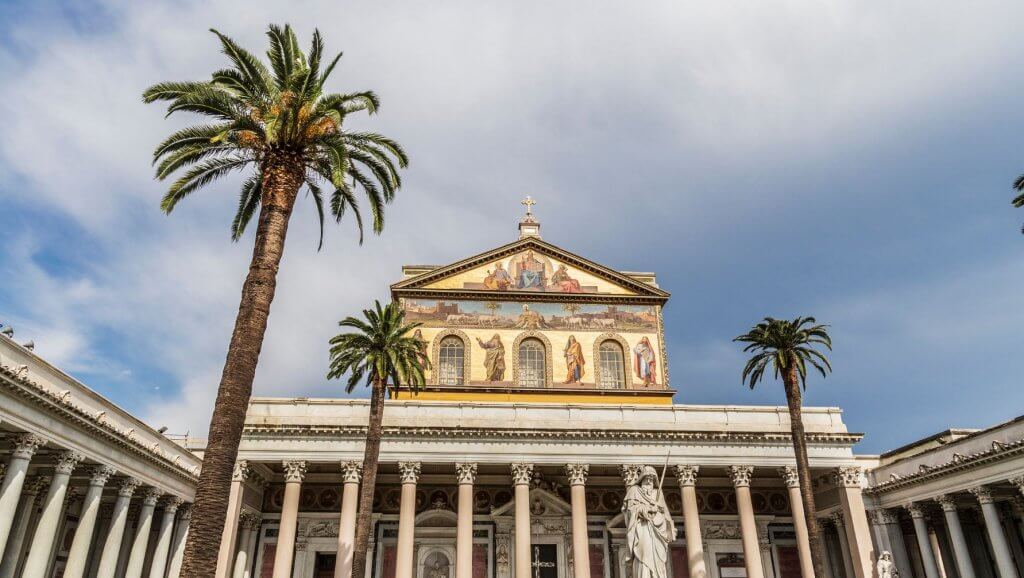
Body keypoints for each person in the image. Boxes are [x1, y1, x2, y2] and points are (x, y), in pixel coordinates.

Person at [623, 466, 675, 578]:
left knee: (658, 560)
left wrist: (669, 525)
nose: (649, 480)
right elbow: (630, 510)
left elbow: (665, 512)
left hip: (657, 532)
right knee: (643, 554)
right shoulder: (634, 491)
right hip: (642, 529)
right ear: (642, 478)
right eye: (647, 477)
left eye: (652, 478)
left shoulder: (658, 493)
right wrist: (645, 510)